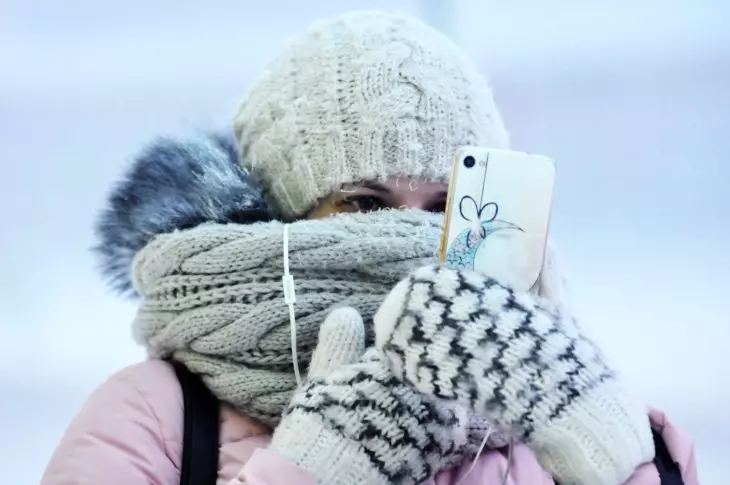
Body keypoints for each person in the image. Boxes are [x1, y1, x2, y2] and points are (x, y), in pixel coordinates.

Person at [41, 10, 698, 485]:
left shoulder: (547, 395)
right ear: (280, 214)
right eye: (363, 203)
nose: (415, 239)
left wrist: (617, 450)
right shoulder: (158, 417)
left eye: (446, 207)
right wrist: (313, 468)